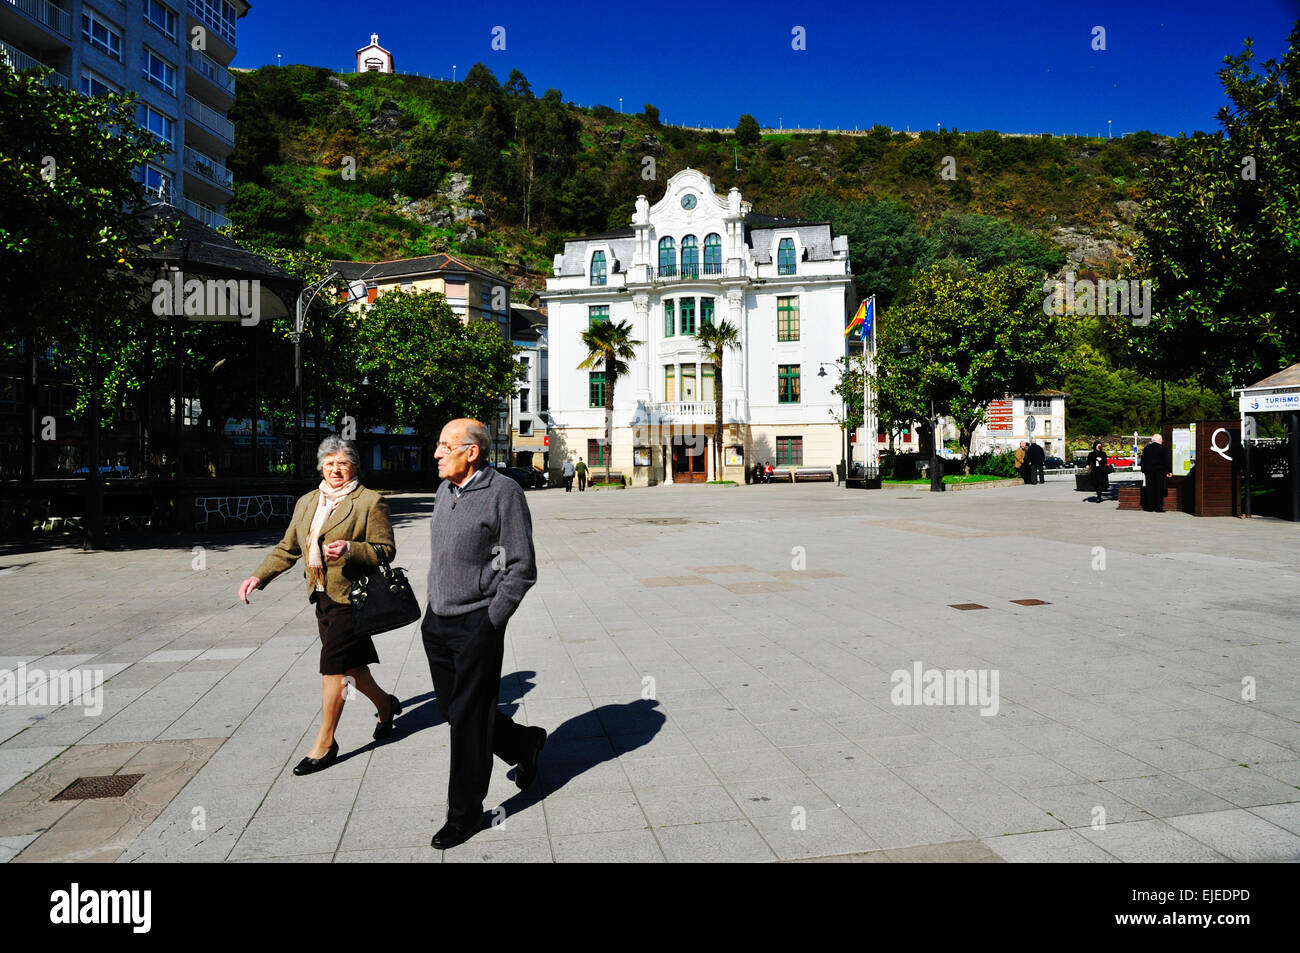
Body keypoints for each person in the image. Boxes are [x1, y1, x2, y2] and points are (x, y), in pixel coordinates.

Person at [237, 437, 402, 776]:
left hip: (353, 597)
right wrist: (258, 577)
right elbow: (288, 547)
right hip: (322, 595)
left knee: (333, 670)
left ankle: (325, 743)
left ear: (353, 466)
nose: (335, 469)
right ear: (321, 467)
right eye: (329, 463)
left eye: (342, 463)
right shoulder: (308, 502)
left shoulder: (369, 502)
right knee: (352, 668)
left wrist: (350, 550)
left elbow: (385, 549)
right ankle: (386, 704)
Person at [422, 418, 546, 850]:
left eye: (443, 445)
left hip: (478, 622)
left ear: (470, 451)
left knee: (469, 722)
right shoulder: (445, 489)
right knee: (453, 710)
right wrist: (432, 608)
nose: (436, 453)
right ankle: (523, 741)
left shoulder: (504, 493)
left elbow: (521, 568)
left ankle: (465, 813)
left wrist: (491, 621)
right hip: (437, 621)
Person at [1140, 433, 1171, 512]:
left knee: (1150, 488)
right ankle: (1158, 507)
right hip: (1160, 471)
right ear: (1160, 440)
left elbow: (1143, 460)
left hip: (1149, 471)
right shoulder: (1163, 448)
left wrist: (1144, 470)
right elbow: (1166, 460)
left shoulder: (1146, 448)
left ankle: (1150, 507)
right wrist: (1169, 470)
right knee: (1159, 489)